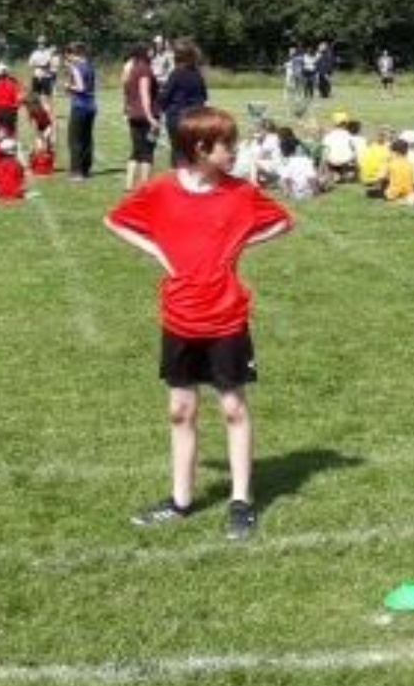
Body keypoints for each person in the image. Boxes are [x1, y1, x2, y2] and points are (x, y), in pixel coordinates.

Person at [104, 107, 293, 541]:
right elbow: (114, 221)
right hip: (180, 315)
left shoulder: (241, 193)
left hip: (226, 316)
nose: (236, 151)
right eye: (230, 145)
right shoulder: (161, 191)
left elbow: (283, 221)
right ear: (202, 148)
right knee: (180, 410)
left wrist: (242, 241)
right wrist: (157, 252)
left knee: (232, 408)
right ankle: (180, 500)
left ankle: (241, 501)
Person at [158, 39, 208, 164]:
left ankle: (179, 178)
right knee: (191, 152)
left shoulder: (176, 73)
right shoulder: (197, 74)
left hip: (177, 118)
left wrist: (159, 99)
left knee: (177, 152)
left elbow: (164, 98)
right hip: (195, 118)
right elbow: (203, 97)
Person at [122, 43, 161, 191]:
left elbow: (127, 91)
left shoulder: (132, 69)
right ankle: (145, 187)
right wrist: (150, 117)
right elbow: (145, 94)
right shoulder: (144, 69)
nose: (153, 52)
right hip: (146, 115)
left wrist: (127, 110)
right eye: (151, 50)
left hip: (134, 114)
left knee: (136, 150)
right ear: (144, 53)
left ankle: (128, 185)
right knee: (147, 152)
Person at [64, 42, 96, 181]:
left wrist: (68, 86)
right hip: (91, 106)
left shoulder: (76, 68)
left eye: (68, 55)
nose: (68, 58)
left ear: (74, 54)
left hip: (80, 106)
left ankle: (76, 172)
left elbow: (81, 88)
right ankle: (85, 169)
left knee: (75, 139)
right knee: (87, 138)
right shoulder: (90, 66)